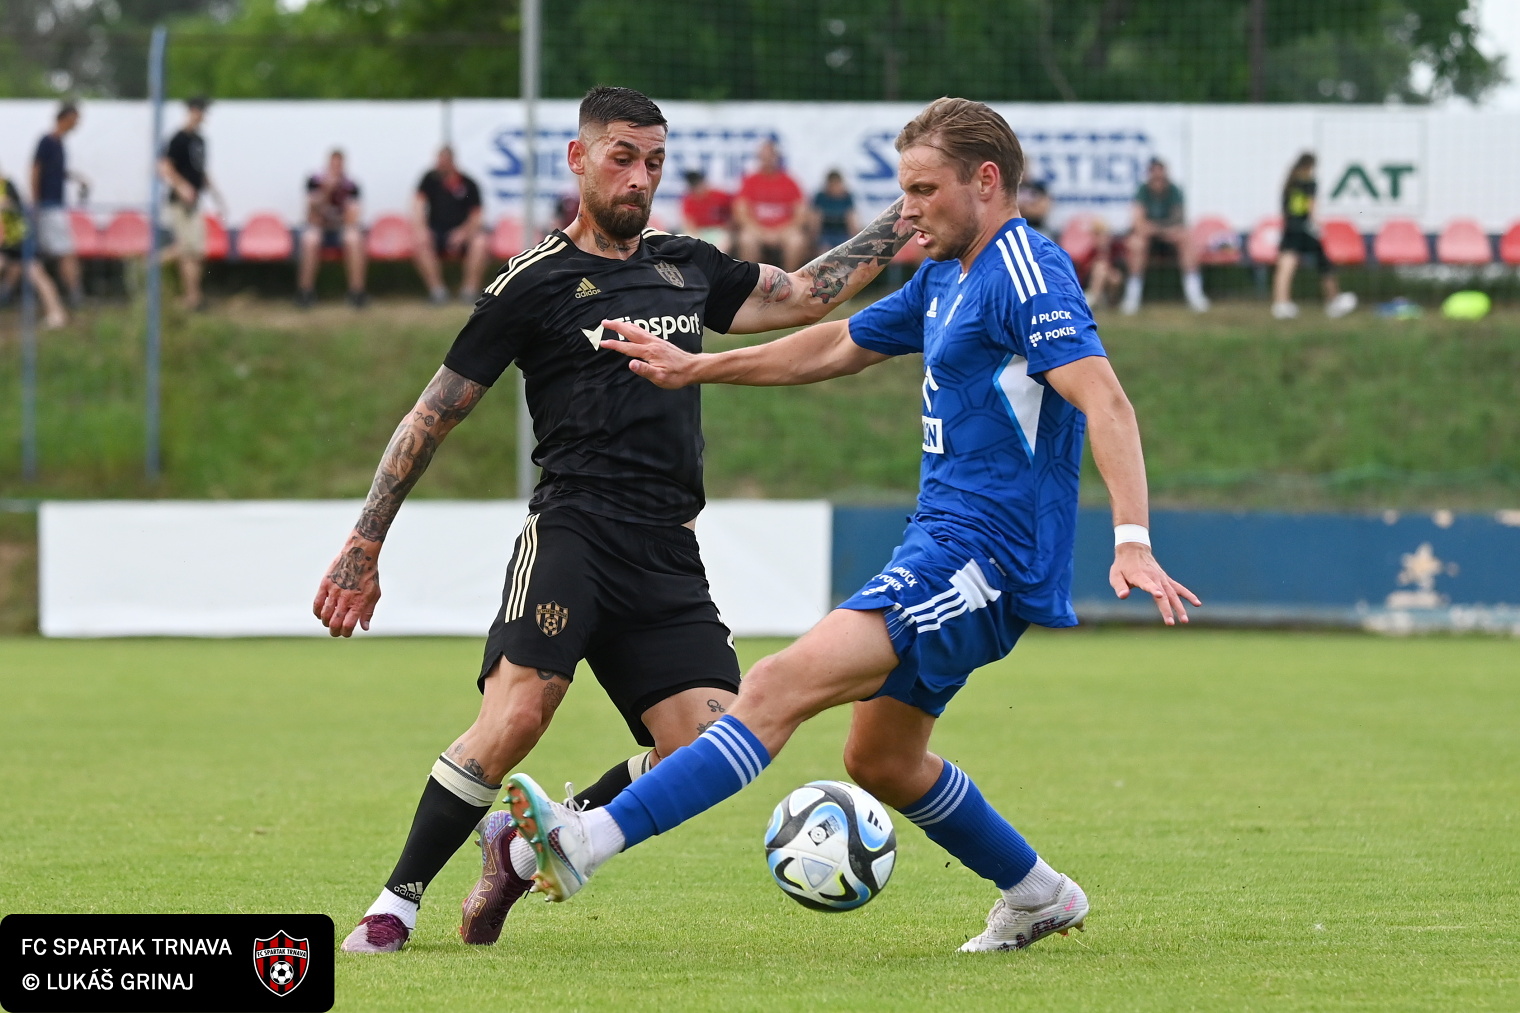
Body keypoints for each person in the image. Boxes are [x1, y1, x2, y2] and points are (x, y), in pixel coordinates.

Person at [504, 97, 1200, 954]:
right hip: (937, 541)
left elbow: (1106, 398)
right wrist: (698, 368)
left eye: (923, 188)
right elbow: (834, 345)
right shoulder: (946, 273)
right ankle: (1039, 894)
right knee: (880, 761)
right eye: (902, 188)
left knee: (772, 688)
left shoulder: (1026, 270)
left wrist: (1132, 537)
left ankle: (585, 840)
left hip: (985, 558)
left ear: (986, 182)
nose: (907, 209)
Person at [313, 86, 913, 954]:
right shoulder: (534, 282)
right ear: (580, 158)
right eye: (624, 156)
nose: (641, 177)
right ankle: (395, 901)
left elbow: (806, 295)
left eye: (655, 161)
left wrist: (909, 214)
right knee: (519, 715)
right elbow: (431, 415)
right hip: (574, 531)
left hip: (668, 549)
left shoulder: (689, 264)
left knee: (715, 744)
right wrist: (364, 543)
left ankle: (529, 844)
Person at [158, 97, 225, 312]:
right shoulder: (178, 138)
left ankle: (192, 296)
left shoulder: (201, 140)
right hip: (180, 204)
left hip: (195, 203)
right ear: (192, 111)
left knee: (195, 251)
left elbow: (201, 172)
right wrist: (181, 187)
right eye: (201, 110)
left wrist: (217, 196)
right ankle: (192, 297)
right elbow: (165, 167)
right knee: (187, 250)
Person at [1271, 153, 1356, 320]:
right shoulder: (1309, 183)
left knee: (1286, 266)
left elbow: (1285, 209)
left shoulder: (1289, 183)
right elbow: (1310, 207)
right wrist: (1317, 224)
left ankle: (1281, 303)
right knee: (1324, 262)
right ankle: (1334, 299)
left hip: (1290, 227)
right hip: (1303, 227)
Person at [1121, 158, 1208, 314]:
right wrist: (1161, 230)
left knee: (1186, 239)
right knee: (1137, 244)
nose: (1159, 181)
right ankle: (1132, 296)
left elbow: (1179, 220)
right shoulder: (1142, 191)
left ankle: (1195, 294)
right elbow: (1138, 223)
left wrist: (1158, 229)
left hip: (1168, 239)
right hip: (1150, 239)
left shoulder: (1174, 191)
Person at [411, 146, 489, 305]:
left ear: (452, 161)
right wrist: (421, 229)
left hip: (462, 232)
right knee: (420, 243)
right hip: (436, 230)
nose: (439, 165)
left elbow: (476, 215)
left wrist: (463, 232)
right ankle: (437, 292)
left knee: (481, 243)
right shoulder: (430, 179)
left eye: (443, 161)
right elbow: (418, 205)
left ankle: (469, 291)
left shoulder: (468, 184)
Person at [30, 102, 88, 309]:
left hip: (54, 206)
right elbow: (36, 170)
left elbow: (54, 171)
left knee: (43, 255)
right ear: (65, 118)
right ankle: (75, 295)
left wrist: (75, 177)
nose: (78, 123)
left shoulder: (60, 144)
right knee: (66, 252)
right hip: (48, 206)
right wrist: (36, 202)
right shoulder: (47, 141)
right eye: (75, 118)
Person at [0, 167, 69, 329]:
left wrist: (6, 204)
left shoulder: (7, 185)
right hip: (9, 240)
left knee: (36, 274)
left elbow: (13, 205)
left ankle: (57, 313)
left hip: (23, 238)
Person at [297, 149, 366, 308]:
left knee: (354, 239)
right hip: (319, 227)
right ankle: (305, 292)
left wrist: (342, 216)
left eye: (339, 165)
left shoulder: (351, 186)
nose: (336, 168)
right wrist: (327, 191)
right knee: (309, 240)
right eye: (333, 164)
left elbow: (353, 216)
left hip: (341, 227)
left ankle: (357, 292)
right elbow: (311, 212)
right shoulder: (314, 181)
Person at [734, 139, 809, 271]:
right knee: (746, 240)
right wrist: (760, 230)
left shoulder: (790, 181)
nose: (767, 160)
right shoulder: (750, 180)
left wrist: (780, 231)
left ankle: (788, 283)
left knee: (796, 242)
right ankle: (752, 284)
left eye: (770, 156)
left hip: (784, 229)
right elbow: (740, 211)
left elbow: (801, 214)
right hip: (757, 228)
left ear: (777, 157)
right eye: (764, 157)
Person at [680, 169, 732, 252]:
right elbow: (689, 222)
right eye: (694, 185)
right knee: (688, 238)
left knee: (723, 241)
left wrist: (728, 226)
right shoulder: (689, 199)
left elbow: (734, 212)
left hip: (719, 230)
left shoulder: (719, 196)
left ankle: (717, 264)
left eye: (698, 184)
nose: (697, 188)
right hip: (700, 231)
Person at [811, 170, 859, 256]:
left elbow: (851, 218)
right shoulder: (821, 198)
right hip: (826, 234)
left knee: (845, 252)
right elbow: (815, 219)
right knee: (824, 252)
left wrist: (855, 240)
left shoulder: (846, 197)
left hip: (842, 234)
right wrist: (814, 238)